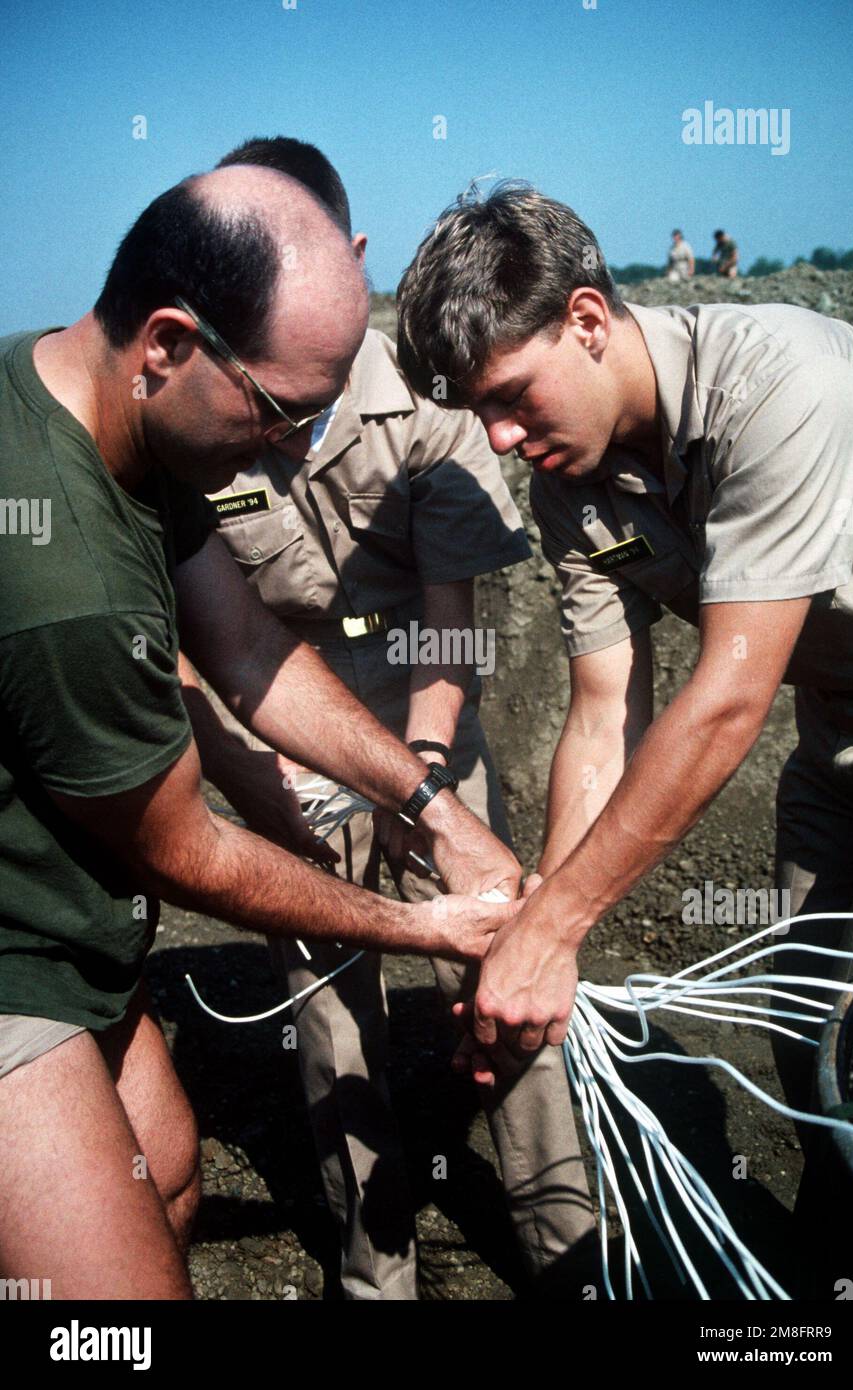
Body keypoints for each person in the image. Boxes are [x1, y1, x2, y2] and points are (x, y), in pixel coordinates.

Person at [0, 164, 521, 1300]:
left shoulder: (114, 416)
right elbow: (186, 852)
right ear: (168, 343)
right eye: (282, 412)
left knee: (170, 1175)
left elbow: (248, 654)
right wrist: (422, 928)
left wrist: (429, 809)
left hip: (66, 922)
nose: (295, 450)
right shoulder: (63, 574)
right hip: (13, 955)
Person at [395, 182, 853, 1242]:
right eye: (479, 414)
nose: (504, 436)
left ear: (586, 318)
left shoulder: (790, 378)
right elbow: (606, 716)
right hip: (838, 745)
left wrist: (555, 928)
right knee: (815, 1042)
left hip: (808, 716)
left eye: (513, 396)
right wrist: (538, 931)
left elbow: (727, 701)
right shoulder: (574, 488)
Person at [176, 136, 598, 1301]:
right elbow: (190, 643)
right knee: (332, 1020)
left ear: (348, 255)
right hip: (280, 746)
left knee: (506, 969)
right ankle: (377, 1266)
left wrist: (424, 778)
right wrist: (252, 779)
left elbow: (452, 622)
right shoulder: (204, 411)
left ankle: (565, 1245)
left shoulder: (426, 396)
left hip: (428, 732)